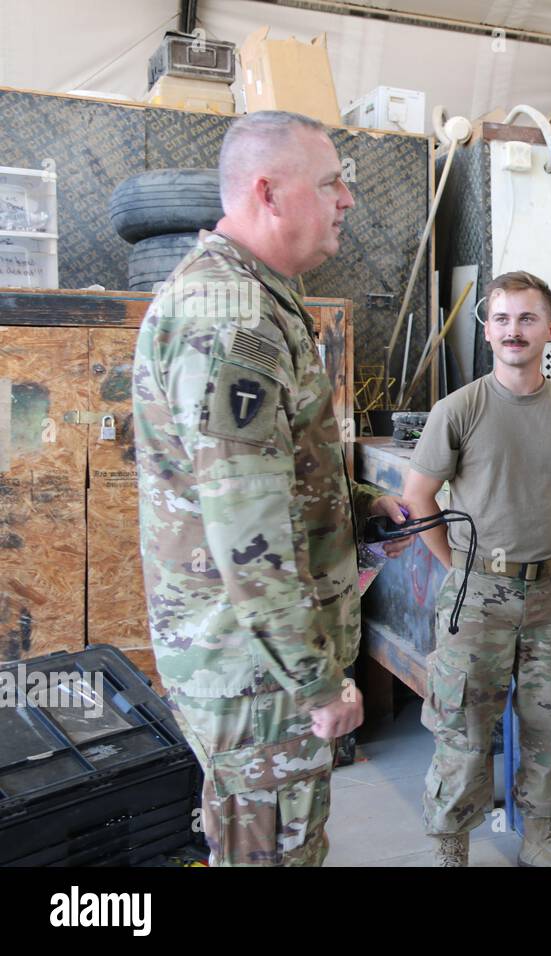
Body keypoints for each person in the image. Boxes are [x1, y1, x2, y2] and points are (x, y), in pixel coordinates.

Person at [133, 110, 412, 866]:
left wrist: (357, 506)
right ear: (269, 193)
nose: (348, 200)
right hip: (260, 675)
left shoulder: (255, 298)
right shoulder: (234, 323)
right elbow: (247, 539)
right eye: (331, 183)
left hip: (252, 660)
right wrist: (320, 686)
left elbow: (261, 479)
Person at [402, 270, 551, 867]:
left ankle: (542, 836)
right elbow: (419, 498)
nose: (513, 330)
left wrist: (544, 549)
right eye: (502, 318)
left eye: (527, 318)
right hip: (477, 591)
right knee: (464, 724)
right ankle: (451, 844)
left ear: (550, 328)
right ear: (486, 330)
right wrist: (458, 567)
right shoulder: (458, 409)